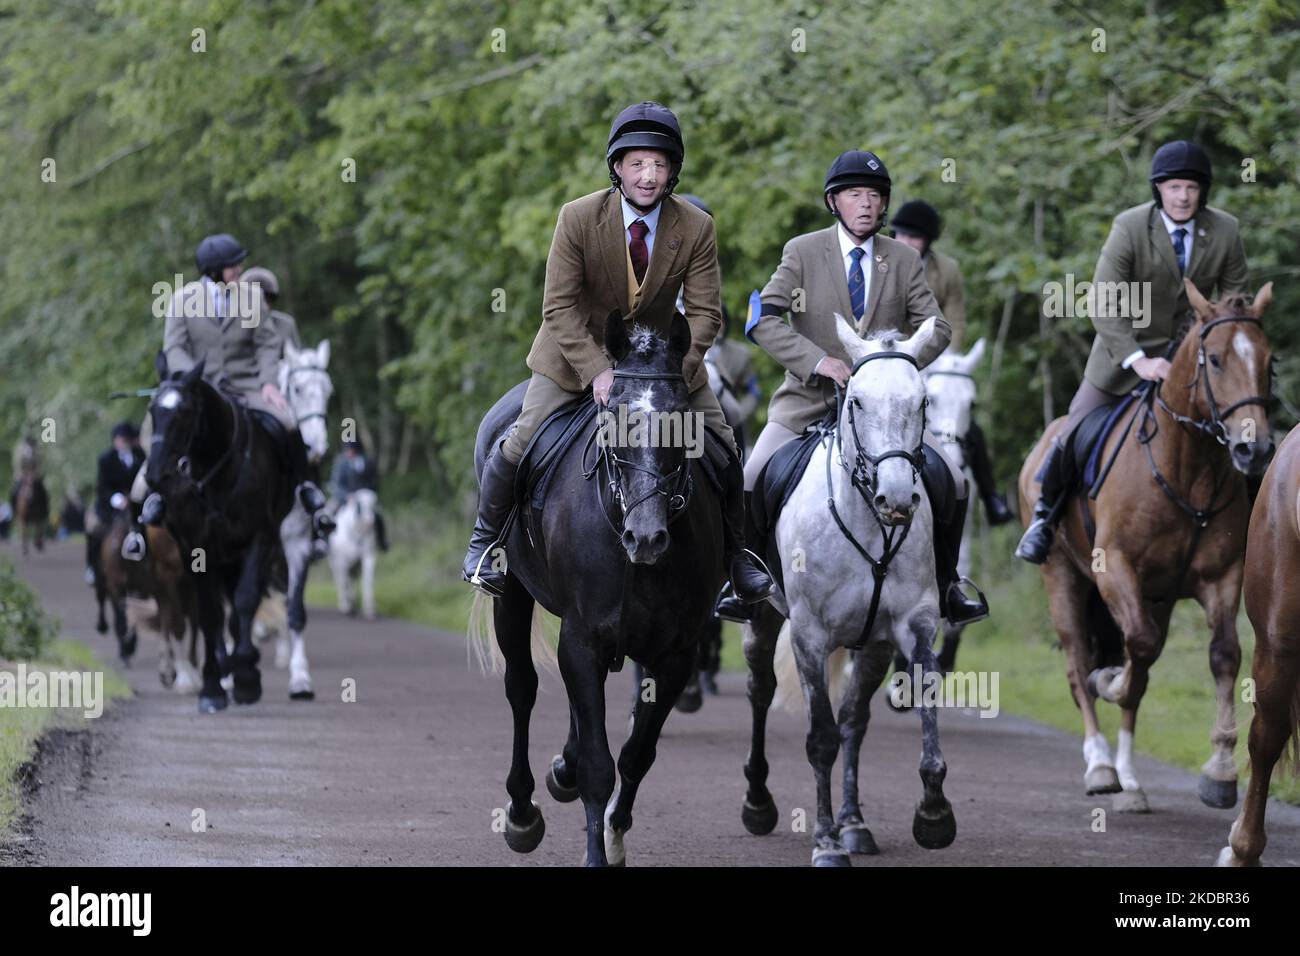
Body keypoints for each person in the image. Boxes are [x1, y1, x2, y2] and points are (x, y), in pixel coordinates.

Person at [461, 101, 774, 605]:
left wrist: (677, 374)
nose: (648, 176)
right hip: (572, 358)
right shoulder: (578, 217)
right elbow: (558, 307)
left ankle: (738, 560)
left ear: (672, 170)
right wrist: (597, 373)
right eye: (637, 163)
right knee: (518, 442)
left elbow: (706, 315)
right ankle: (484, 545)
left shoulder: (696, 226)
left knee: (722, 444)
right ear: (617, 168)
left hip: (664, 368)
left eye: (659, 164)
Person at [715, 149, 988, 626]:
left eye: (875, 196)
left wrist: (893, 366)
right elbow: (763, 318)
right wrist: (817, 361)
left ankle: (947, 586)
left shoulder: (903, 260)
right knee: (751, 476)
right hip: (805, 402)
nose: (865, 203)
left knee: (957, 481)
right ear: (834, 202)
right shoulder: (802, 251)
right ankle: (746, 579)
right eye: (854, 194)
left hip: (885, 413)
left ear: (884, 206)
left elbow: (937, 327)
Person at [1015, 140, 1250, 563]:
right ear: (1158, 189)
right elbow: (1102, 301)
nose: (1183, 196)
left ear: (1203, 192)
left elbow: (1235, 302)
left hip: (1197, 366)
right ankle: (1044, 519)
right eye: (1174, 186)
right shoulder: (1129, 226)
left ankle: (1249, 524)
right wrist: (1138, 360)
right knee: (1072, 431)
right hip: (1124, 361)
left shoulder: (1226, 230)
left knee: (1247, 423)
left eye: (1191, 187)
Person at [122, 233, 333, 560]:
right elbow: (174, 348)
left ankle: (306, 490)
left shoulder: (251, 298)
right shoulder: (182, 299)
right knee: (159, 433)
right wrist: (195, 378)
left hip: (247, 386)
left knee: (287, 421)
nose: (240, 269)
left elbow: (266, 345)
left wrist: (268, 384)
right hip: (199, 389)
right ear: (214, 270)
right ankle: (146, 509)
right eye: (234, 265)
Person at [890, 199, 1013, 525]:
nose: (906, 243)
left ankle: (991, 498)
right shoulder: (881, 264)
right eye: (901, 236)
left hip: (934, 356)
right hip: (891, 358)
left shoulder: (948, 270)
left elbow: (955, 321)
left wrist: (943, 362)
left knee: (968, 426)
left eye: (914, 238)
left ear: (928, 240)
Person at [87, 422, 146, 582]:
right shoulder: (106, 459)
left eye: (126, 439)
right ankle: (92, 567)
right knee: (94, 530)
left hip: (136, 504)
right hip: (110, 505)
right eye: (121, 439)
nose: (123, 442)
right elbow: (102, 487)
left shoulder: (140, 455)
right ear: (115, 440)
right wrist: (117, 499)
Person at [327, 440, 388, 552]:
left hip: (364, 496)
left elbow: (374, 480)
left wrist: (367, 492)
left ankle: (382, 541)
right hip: (345, 498)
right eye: (347, 450)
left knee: (378, 514)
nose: (349, 452)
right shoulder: (341, 463)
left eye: (351, 450)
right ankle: (324, 545)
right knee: (327, 514)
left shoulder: (367, 461)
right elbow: (336, 484)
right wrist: (346, 496)